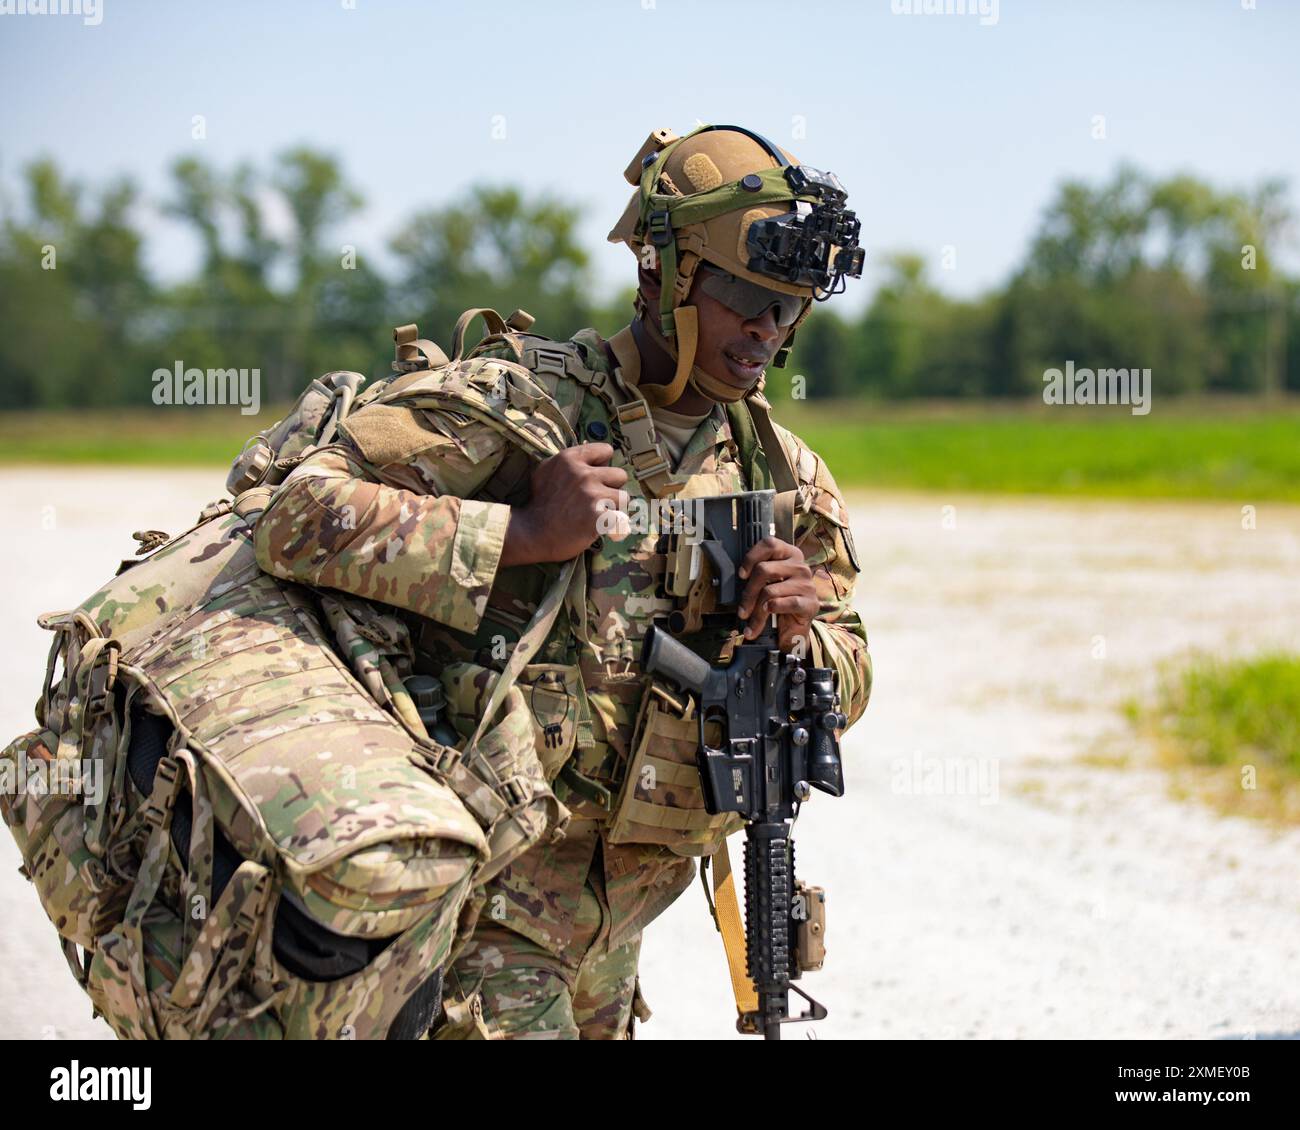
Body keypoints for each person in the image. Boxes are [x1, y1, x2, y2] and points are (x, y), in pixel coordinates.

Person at [253, 122, 873, 1039]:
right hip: (492, 903)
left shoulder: (781, 476)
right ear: (662, 275)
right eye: (746, 296)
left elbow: (851, 668)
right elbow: (298, 517)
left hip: (620, 921)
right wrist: (521, 533)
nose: (766, 330)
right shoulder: (521, 406)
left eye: (788, 308)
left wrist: (802, 632)